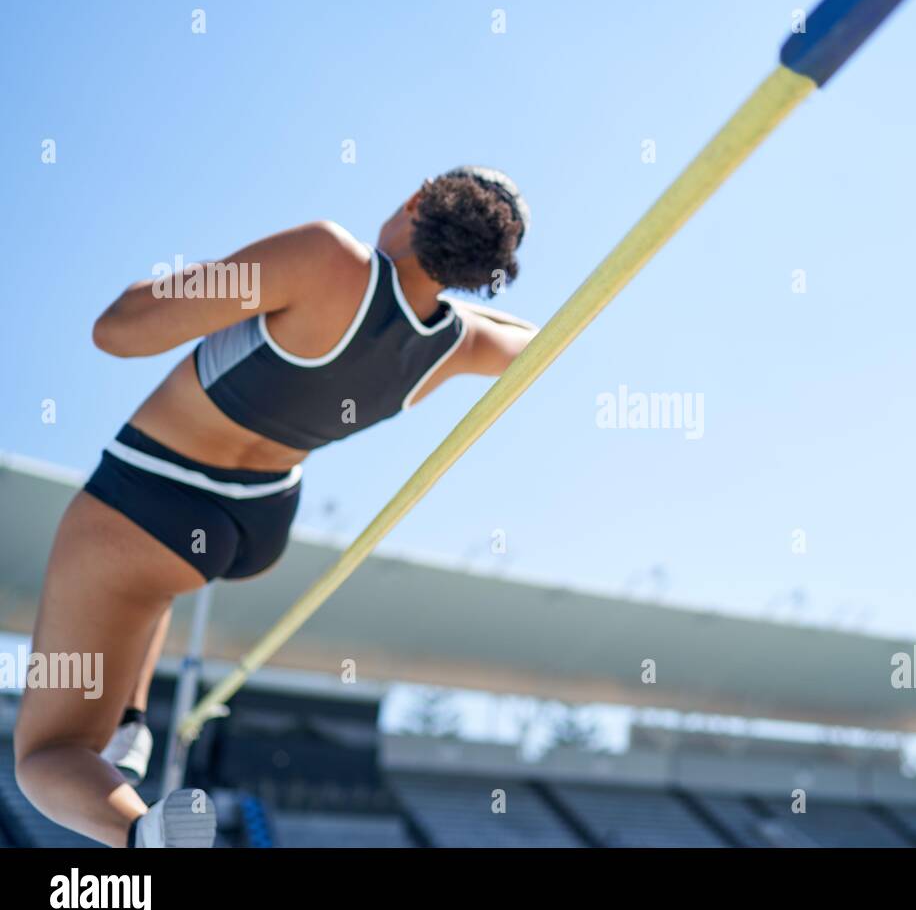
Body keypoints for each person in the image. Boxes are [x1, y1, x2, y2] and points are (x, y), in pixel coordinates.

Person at [14, 168, 538, 847]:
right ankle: (129, 724)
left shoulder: (327, 258)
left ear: (416, 201)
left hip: (149, 495)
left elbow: (117, 331)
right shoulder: (460, 344)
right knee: (151, 584)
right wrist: (467, 292)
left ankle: (145, 836)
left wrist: (207, 289)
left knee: (45, 756)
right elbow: (542, 336)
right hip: (250, 527)